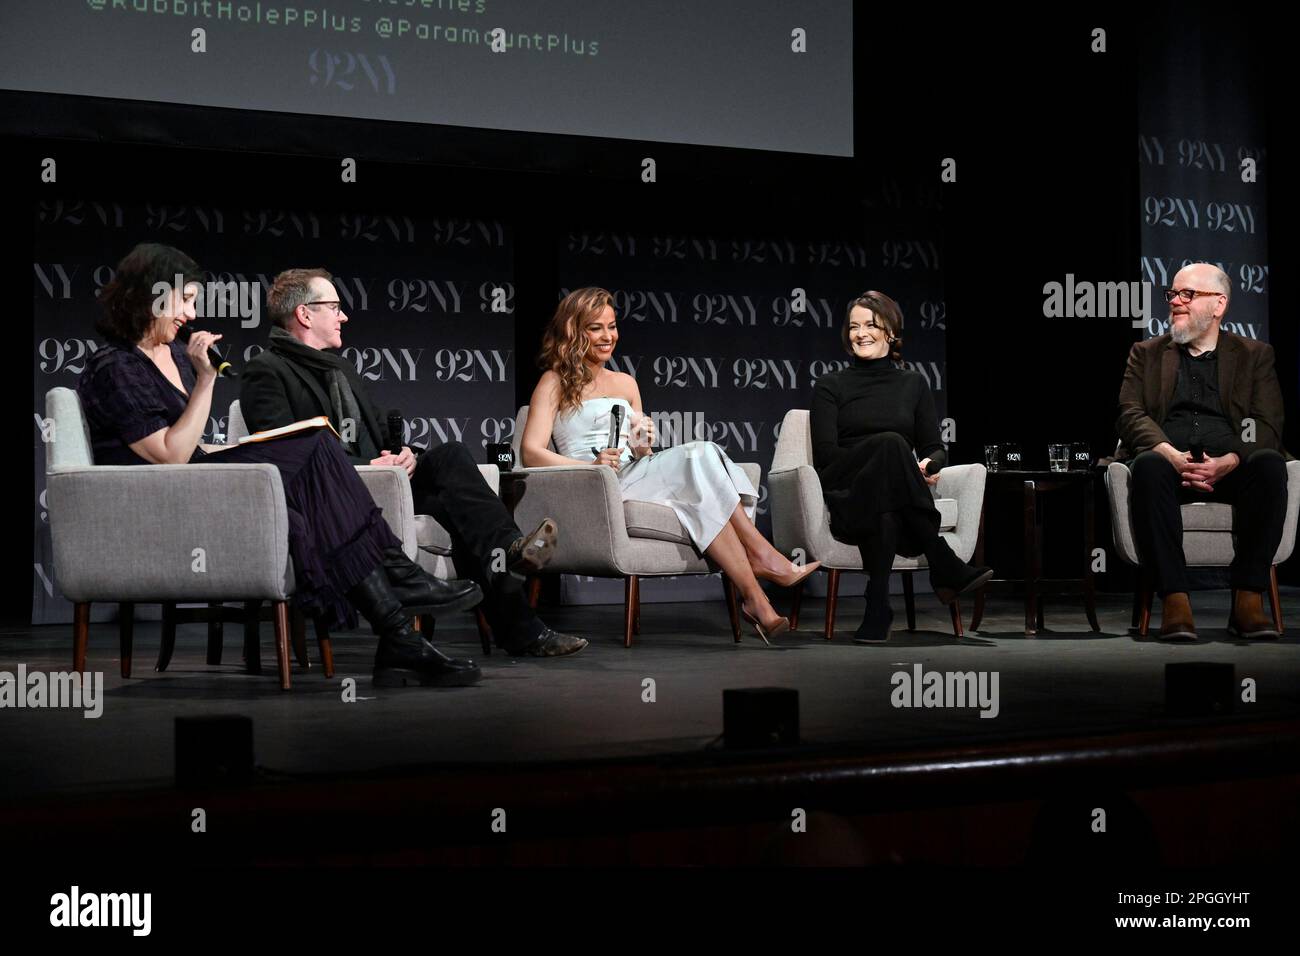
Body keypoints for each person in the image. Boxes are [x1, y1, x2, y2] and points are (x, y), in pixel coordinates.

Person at [77, 243, 483, 687]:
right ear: (149, 297)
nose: (191, 315)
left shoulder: (173, 356)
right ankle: (399, 587)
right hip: (169, 506)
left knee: (317, 443)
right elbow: (172, 455)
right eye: (185, 300)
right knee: (313, 442)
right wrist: (207, 381)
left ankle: (397, 629)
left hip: (197, 483)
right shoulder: (113, 368)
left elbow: (191, 448)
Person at [239, 268, 587, 658]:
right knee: (457, 514)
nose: (344, 316)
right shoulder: (266, 372)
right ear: (305, 314)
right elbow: (288, 454)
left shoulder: (343, 371)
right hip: (339, 502)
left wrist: (406, 455)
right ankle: (523, 630)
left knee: (452, 458)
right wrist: (366, 465)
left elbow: (379, 437)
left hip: (387, 483)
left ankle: (508, 550)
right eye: (335, 307)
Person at [520, 287, 819, 643]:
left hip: (632, 474)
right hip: (594, 486)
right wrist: (589, 465)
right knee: (701, 455)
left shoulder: (626, 382)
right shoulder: (554, 382)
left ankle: (756, 600)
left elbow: (644, 455)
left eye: (612, 326)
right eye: (595, 328)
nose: (607, 336)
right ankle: (763, 556)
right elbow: (531, 451)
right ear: (573, 331)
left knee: (703, 475)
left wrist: (641, 443)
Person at [1116, 261, 1290, 641]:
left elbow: (1265, 422)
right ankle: (1176, 601)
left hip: (1232, 468)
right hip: (1171, 466)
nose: (1176, 301)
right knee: (1146, 465)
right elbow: (1131, 414)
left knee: (1269, 464)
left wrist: (1230, 460)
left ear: (1219, 305)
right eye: (1173, 294)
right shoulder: (1146, 353)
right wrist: (1169, 453)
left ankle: (1248, 600)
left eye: (1187, 294)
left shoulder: (1254, 354)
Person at [810, 291, 992, 643]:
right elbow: (826, 458)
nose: (860, 333)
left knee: (888, 504)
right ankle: (943, 562)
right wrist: (886, 451)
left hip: (890, 497)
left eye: (870, 325)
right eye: (853, 326)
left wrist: (931, 462)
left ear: (890, 331)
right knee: (891, 443)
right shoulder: (829, 386)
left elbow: (933, 447)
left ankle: (877, 606)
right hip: (847, 491)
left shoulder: (913, 384)